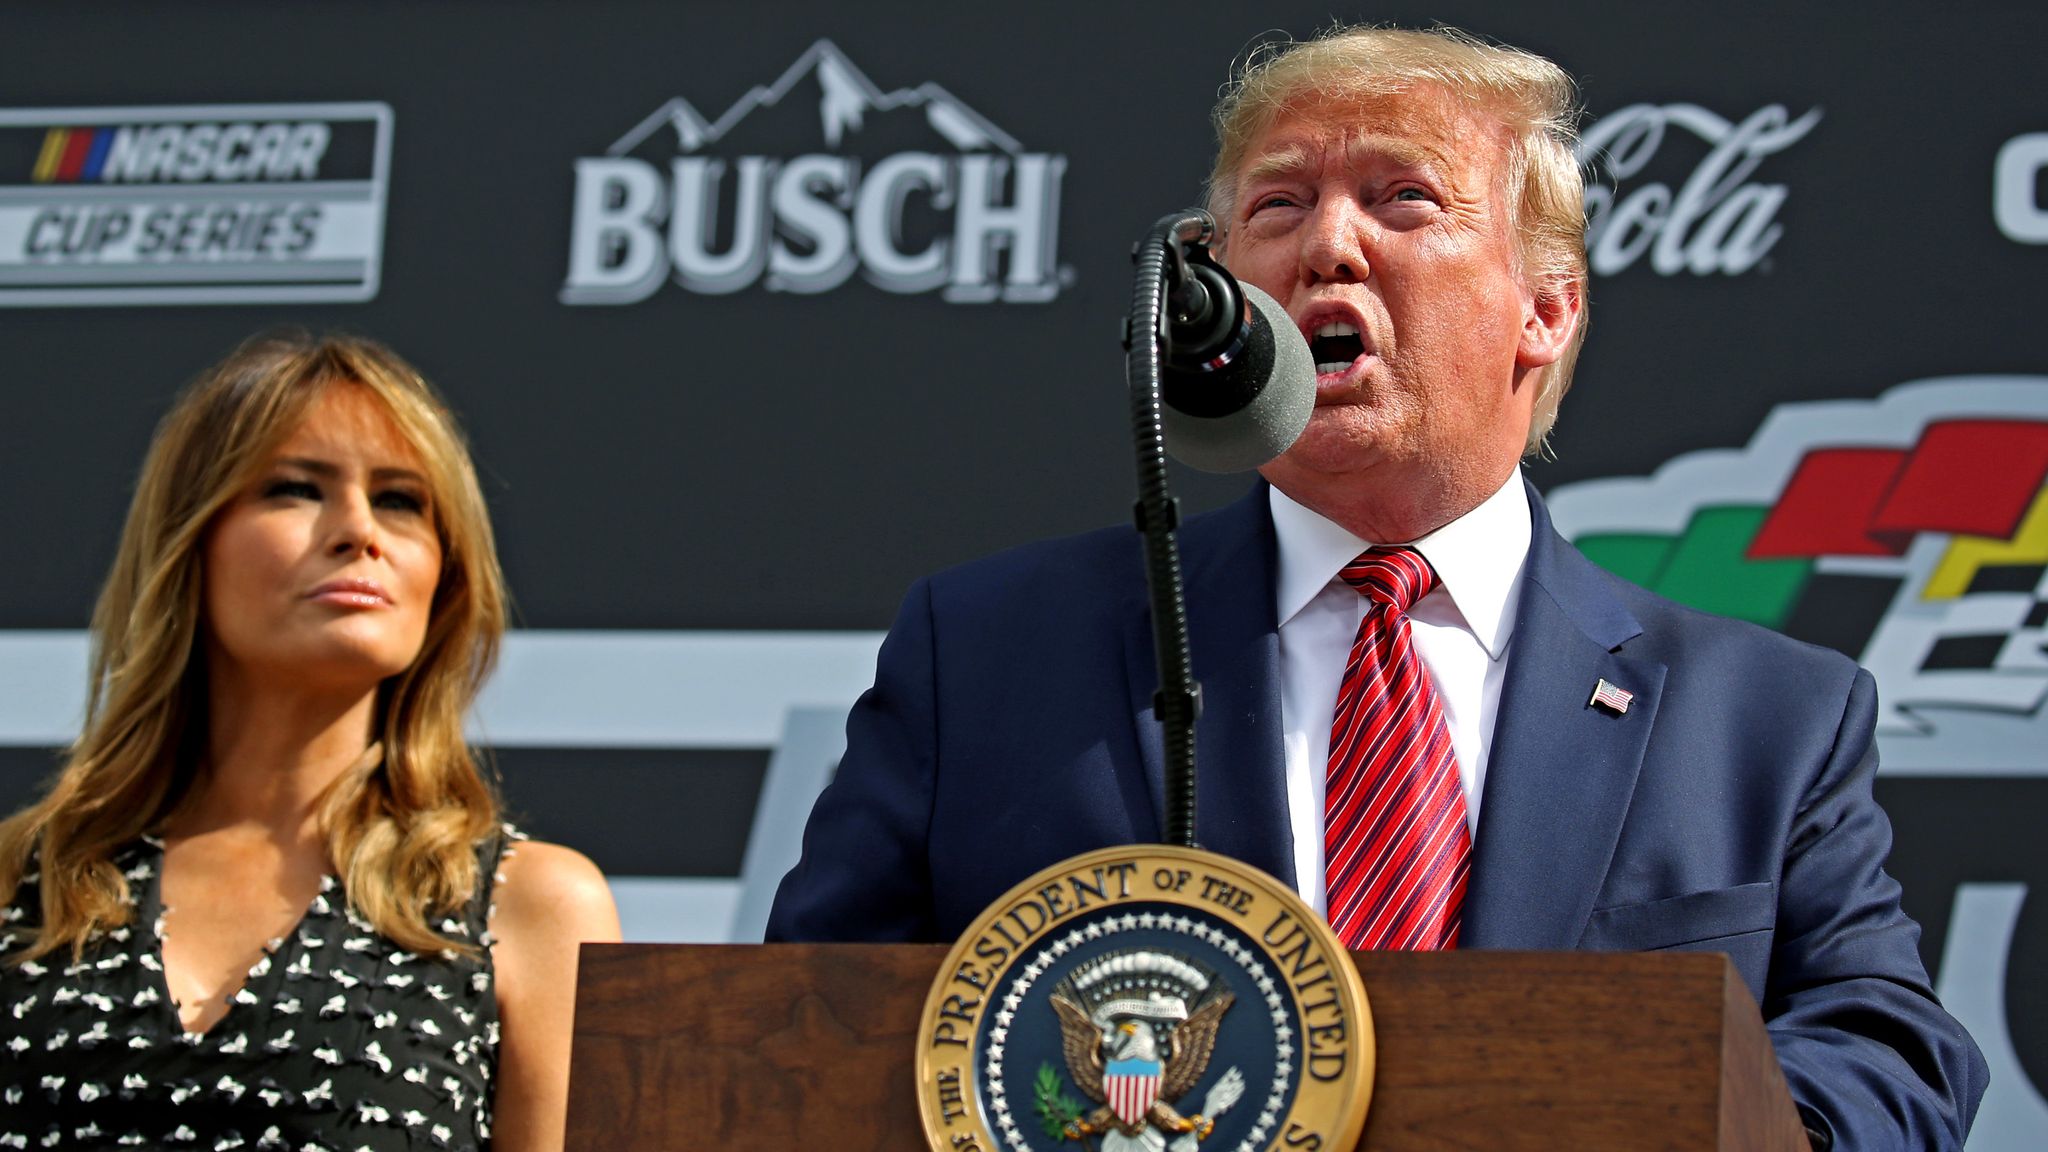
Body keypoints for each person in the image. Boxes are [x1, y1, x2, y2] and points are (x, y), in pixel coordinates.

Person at [766, 25, 1986, 1151]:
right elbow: (799, 1041)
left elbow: (1891, 1055)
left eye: (1403, 198)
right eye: (1276, 205)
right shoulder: (985, 654)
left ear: (1545, 309)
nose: (1325, 245)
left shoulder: (1765, 718)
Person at [0, 332, 620, 1151]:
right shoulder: (22, 883)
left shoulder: (531, 907)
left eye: (402, 501)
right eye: (296, 489)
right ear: (190, 542)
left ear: (446, 577)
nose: (359, 531)